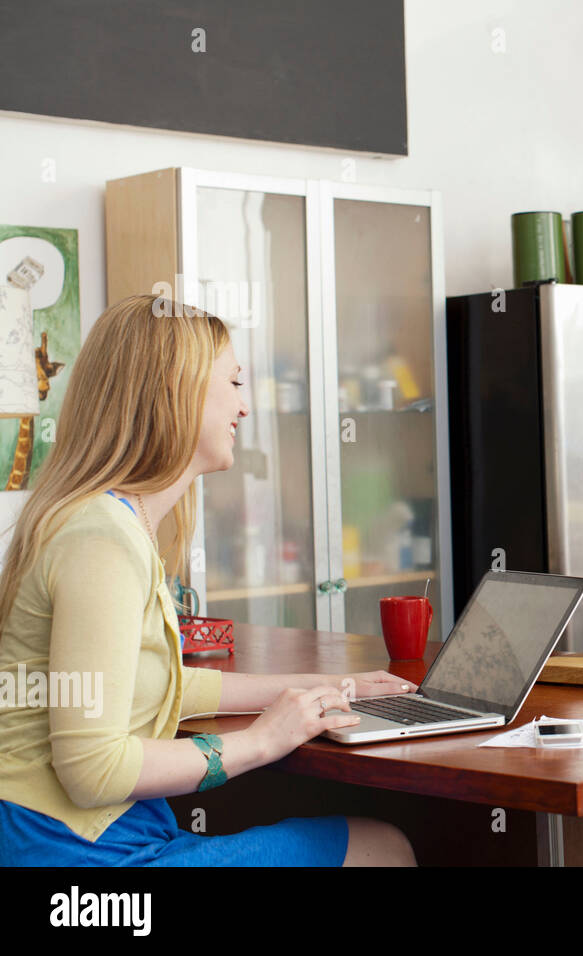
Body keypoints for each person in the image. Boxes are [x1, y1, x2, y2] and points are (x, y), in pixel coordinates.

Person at [0, 294, 416, 866]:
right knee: (382, 848)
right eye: (235, 383)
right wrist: (261, 740)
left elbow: (161, 684)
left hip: (85, 840)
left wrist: (325, 689)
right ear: (175, 389)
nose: (244, 408)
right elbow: (93, 772)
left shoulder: (106, 522)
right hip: (76, 857)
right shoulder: (100, 541)